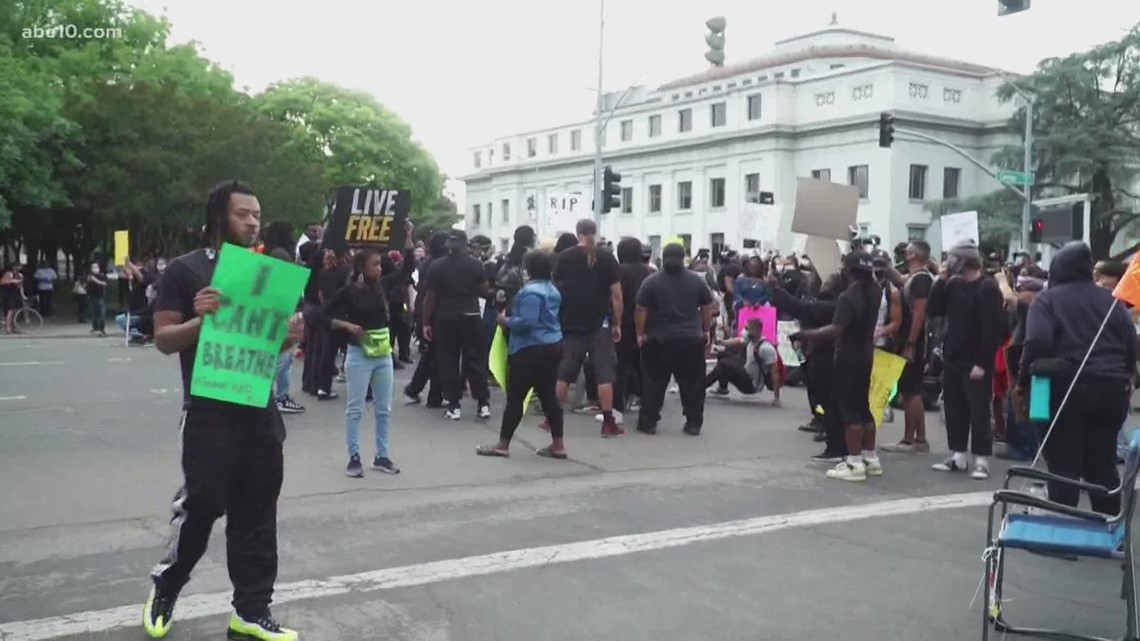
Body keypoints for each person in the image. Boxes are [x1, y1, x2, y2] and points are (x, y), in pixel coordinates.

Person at [143, 180, 302, 641]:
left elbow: (284, 338)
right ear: (220, 218)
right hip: (208, 410)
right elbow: (163, 340)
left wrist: (292, 331)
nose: (253, 221)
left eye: (257, 214)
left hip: (258, 407)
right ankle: (167, 584)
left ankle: (251, 610)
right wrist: (200, 320)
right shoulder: (185, 270)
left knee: (257, 510)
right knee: (205, 503)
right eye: (243, 214)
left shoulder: (267, 271)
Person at [1017, 242, 1135, 515]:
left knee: (1063, 463)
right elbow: (1131, 344)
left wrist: (1023, 380)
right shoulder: (1112, 300)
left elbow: (1036, 341)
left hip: (1064, 388)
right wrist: (1126, 377)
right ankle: (1108, 527)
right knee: (1102, 463)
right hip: (1111, 389)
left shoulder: (1047, 300)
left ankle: (1064, 531)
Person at [322, 223, 415, 478]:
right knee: (355, 409)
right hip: (359, 355)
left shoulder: (383, 285)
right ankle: (354, 457)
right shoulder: (349, 291)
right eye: (375, 264)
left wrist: (408, 238)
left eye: (380, 264)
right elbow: (321, 314)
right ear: (361, 267)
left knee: (384, 408)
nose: (380, 267)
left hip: (383, 355)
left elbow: (408, 268)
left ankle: (381, 456)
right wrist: (347, 325)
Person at [792, 251, 882, 481]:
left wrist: (806, 334)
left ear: (849, 270)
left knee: (848, 410)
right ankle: (870, 458)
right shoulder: (875, 290)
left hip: (848, 354)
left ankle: (853, 463)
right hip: (867, 352)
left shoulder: (848, 296)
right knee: (863, 407)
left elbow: (835, 329)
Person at [476, 250, 567, 459]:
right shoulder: (553, 290)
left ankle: (503, 444)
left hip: (529, 349)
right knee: (549, 397)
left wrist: (505, 321)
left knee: (516, 397)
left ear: (529, 269)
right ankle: (558, 445)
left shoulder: (531, 292)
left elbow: (527, 322)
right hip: (553, 344)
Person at [927, 241, 1004, 480]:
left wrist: (982, 363)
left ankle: (981, 459)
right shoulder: (953, 285)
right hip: (953, 356)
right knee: (954, 408)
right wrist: (941, 279)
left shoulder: (988, 287)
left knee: (978, 411)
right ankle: (957, 454)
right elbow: (935, 307)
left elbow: (992, 330)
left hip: (976, 361)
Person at [635, 242, 716, 435]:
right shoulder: (697, 281)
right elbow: (707, 308)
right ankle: (694, 422)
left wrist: (641, 333)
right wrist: (705, 330)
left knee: (653, 383)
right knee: (693, 384)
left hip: (658, 339)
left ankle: (648, 421)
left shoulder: (651, 281)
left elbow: (641, 309)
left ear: (663, 258)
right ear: (683, 258)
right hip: (690, 339)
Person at [553, 219, 624, 437]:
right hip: (599, 322)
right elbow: (617, 296)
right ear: (595, 232)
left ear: (577, 234)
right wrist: (617, 323)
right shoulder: (607, 258)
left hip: (572, 321)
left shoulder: (565, 257)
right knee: (604, 371)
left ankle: (552, 416)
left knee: (566, 370)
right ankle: (608, 421)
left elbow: (556, 289)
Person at [423, 229, 494, 420]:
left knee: (448, 361)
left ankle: (454, 405)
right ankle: (483, 403)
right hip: (471, 315)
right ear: (465, 245)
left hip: (445, 318)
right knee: (475, 360)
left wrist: (426, 322)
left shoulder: (436, 267)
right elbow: (484, 291)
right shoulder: (476, 265)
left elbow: (430, 298)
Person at [881, 241, 935, 453]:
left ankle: (912, 440)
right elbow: (901, 280)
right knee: (909, 389)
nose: (904, 252)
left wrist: (911, 343)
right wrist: (885, 266)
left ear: (913, 255)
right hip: (910, 340)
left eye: (907, 251)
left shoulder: (921, 280)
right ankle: (917, 440)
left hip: (915, 341)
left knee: (911, 390)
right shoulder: (915, 278)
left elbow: (919, 314)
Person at [262, 221, 305, 415]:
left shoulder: (269, 253)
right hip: (284, 310)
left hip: (275, 310)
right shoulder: (281, 255)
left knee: (282, 358)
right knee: (283, 359)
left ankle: (276, 395)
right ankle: (280, 396)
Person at [404, 232, 448, 408]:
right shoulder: (438, 265)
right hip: (433, 314)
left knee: (430, 356)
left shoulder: (426, 264)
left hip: (424, 313)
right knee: (437, 357)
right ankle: (433, 395)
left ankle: (416, 390)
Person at [707, 317, 782, 405]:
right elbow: (738, 341)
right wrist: (723, 342)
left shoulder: (766, 348)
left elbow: (775, 373)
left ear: (757, 330)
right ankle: (722, 388)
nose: (745, 331)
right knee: (722, 354)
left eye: (747, 328)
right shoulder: (752, 340)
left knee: (723, 365)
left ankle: (699, 388)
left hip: (751, 384)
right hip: (746, 370)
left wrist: (777, 398)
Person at [614, 237, 650, 415]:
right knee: (642, 363)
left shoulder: (620, 272)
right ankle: (645, 399)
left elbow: (616, 297)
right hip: (645, 323)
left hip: (624, 322)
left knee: (620, 365)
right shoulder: (649, 272)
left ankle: (619, 405)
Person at [87, 262, 108, 336]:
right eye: (93, 267)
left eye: (96, 267)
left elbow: (104, 284)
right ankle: (95, 327)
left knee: (101, 314)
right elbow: (88, 286)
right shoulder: (90, 276)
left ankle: (102, 329)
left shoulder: (102, 275)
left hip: (100, 296)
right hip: (92, 296)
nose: (94, 269)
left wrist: (95, 280)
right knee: (94, 313)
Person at [1, 263, 23, 333]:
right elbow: (2, 282)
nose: (21, 267)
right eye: (19, 266)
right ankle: (8, 328)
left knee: (14, 311)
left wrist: (23, 295)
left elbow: (20, 286)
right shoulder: (9, 273)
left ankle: (13, 327)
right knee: (10, 311)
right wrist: (13, 281)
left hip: (15, 294)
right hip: (8, 294)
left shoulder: (19, 275)